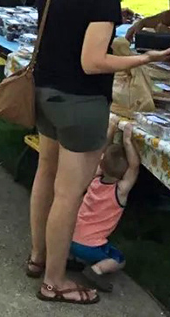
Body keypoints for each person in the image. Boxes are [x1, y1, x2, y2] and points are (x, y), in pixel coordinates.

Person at [27, 0, 170, 305]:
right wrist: (142, 59)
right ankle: (54, 280)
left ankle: (40, 257)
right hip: (79, 102)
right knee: (69, 194)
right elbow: (93, 61)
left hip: (45, 92)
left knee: (46, 176)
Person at [70, 120, 140, 293]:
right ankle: (96, 271)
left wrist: (110, 130)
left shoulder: (93, 179)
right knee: (119, 260)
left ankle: (71, 259)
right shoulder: (120, 191)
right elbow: (135, 166)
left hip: (70, 237)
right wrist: (127, 142)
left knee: (82, 243)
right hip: (90, 246)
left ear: (101, 164)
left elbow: (99, 153)